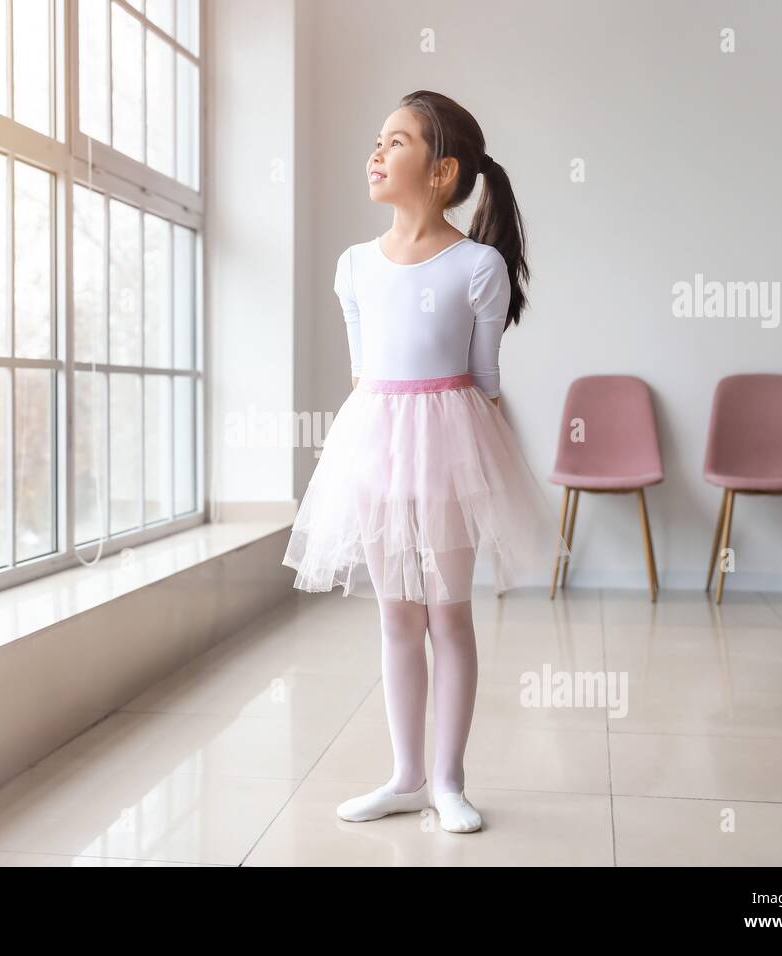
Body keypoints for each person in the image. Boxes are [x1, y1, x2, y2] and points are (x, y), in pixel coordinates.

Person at [281, 90, 571, 834]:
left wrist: (479, 468)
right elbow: (361, 377)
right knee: (396, 615)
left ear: (442, 172)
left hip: (449, 449)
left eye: (396, 142)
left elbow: (484, 383)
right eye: (377, 140)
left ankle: (448, 779)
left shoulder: (477, 267)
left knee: (448, 613)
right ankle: (406, 775)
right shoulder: (353, 266)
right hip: (373, 446)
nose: (375, 153)